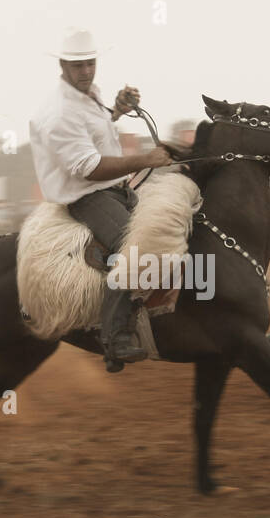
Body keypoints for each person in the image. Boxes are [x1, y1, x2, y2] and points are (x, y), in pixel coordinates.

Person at [29, 27, 173, 372]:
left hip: (115, 191)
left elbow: (92, 134)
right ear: (62, 65)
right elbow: (88, 167)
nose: (87, 71)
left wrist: (116, 111)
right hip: (88, 197)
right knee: (133, 250)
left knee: (175, 226)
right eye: (78, 66)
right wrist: (146, 159)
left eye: (90, 63)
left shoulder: (87, 96)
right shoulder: (60, 111)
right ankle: (115, 338)